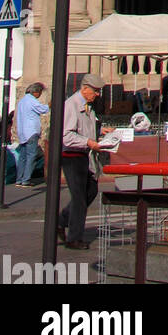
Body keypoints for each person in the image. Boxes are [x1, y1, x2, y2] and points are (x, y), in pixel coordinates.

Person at [58, 73, 108, 250]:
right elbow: (66, 135)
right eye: (95, 91)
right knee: (79, 197)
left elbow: (86, 127)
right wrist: (88, 142)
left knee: (91, 190)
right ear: (84, 88)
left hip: (85, 156)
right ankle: (74, 238)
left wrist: (101, 131)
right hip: (72, 156)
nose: (97, 94)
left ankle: (61, 220)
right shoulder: (71, 105)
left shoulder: (88, 106)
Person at [15, 83, 49, 187]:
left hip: (22, 132)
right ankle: (26, 179)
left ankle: (19, 179)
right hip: (31, 131)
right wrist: (50, 104)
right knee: (31, 156)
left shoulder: (22, 101)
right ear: (36, 92)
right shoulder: (31, 101)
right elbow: (43, 109)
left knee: (23, 156)